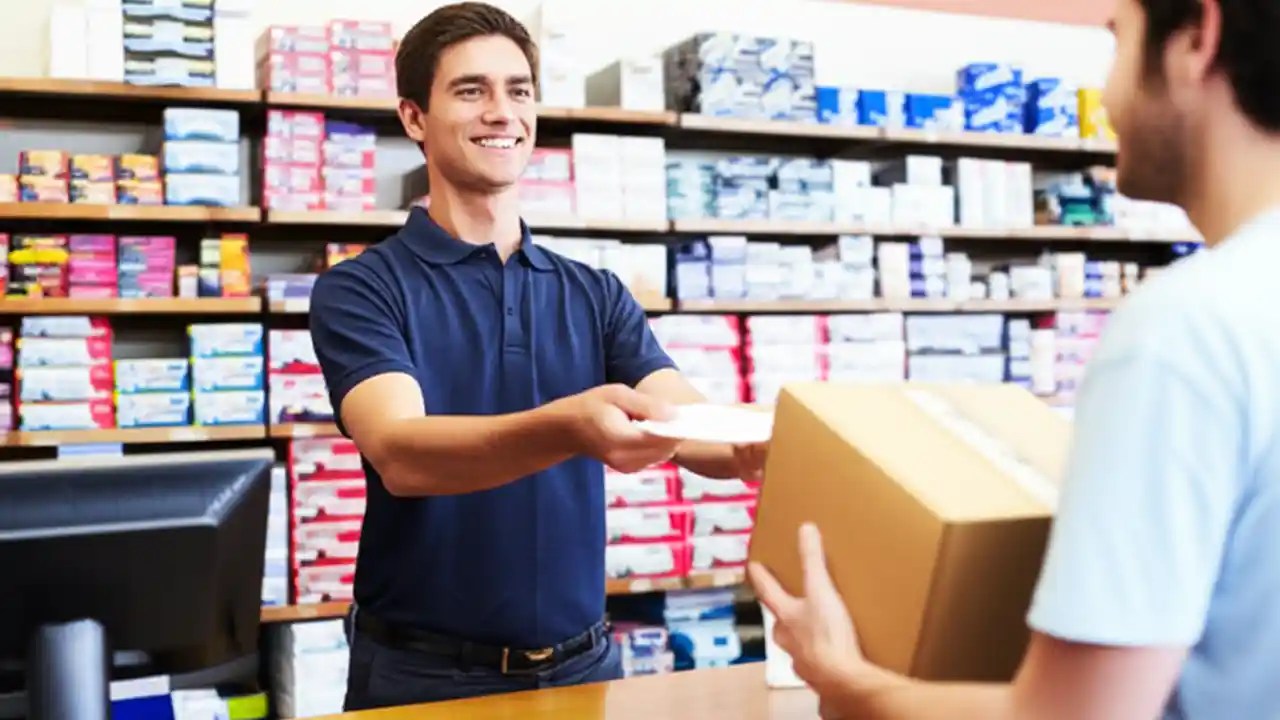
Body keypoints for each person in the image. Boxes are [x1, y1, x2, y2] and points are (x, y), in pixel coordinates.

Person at [749, 0, 1280, 718]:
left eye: (1117, 44)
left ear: (1195, 41)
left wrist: (843, 678)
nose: (1105, 99)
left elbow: (1073, 716)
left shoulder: (1186, 329)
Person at [308, 1, 767, 711]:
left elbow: (686, 422)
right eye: (472, 91)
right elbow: (402, 454)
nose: (503, 112)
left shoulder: (594, 292)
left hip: (585, 665)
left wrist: (760, 445)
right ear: (414, 117)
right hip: (424, 678)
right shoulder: (363, 288)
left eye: (518, 90)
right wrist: (569, 427)